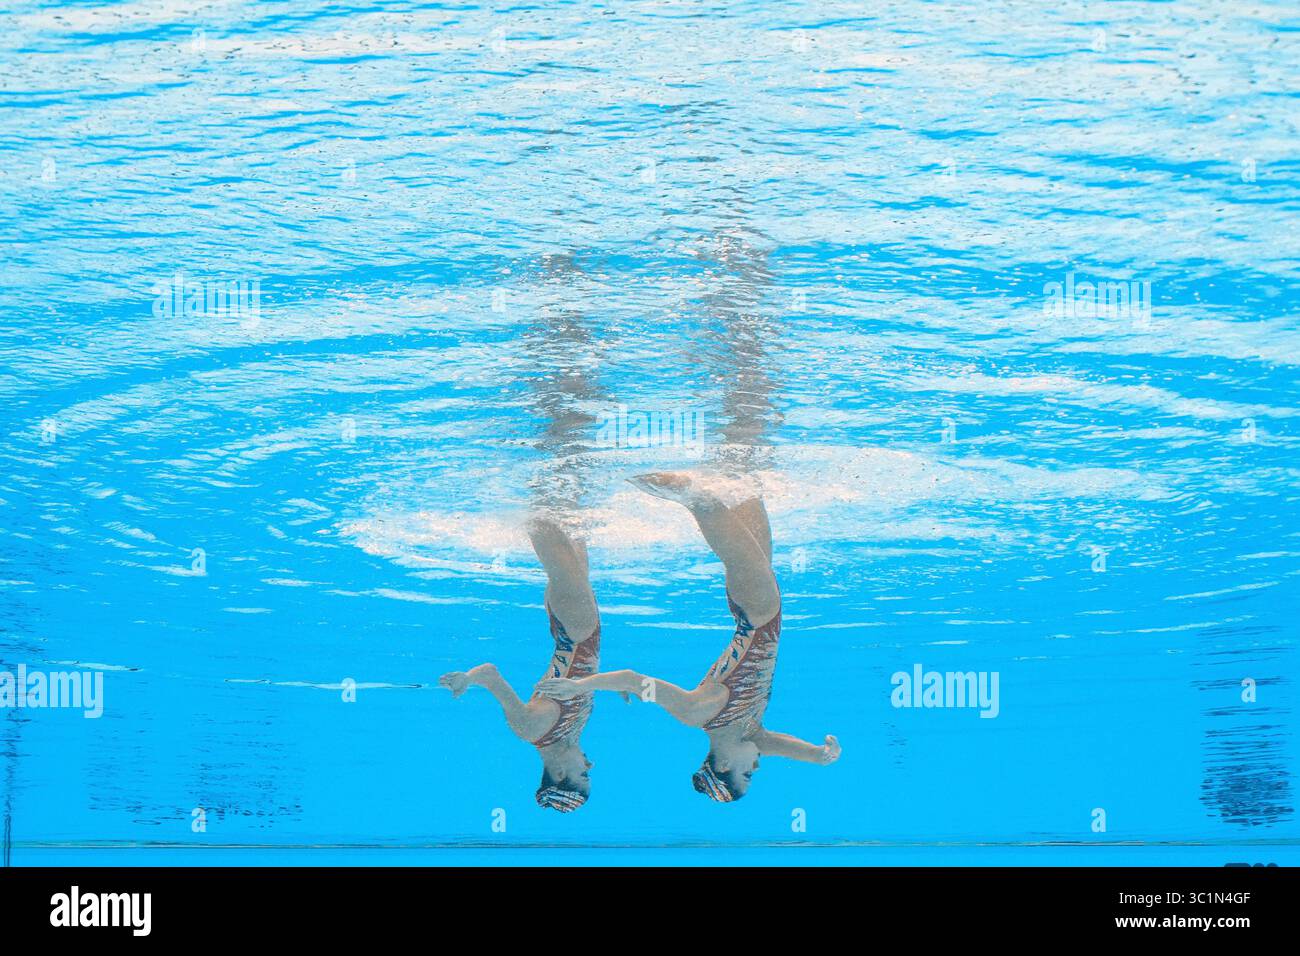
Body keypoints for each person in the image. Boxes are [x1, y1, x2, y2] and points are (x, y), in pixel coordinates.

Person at [537, 471, 840, 802]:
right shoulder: (749, 733)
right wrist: (816, 756)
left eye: (747, 773)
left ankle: (647, 480)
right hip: (762, 613)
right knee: (745, 491)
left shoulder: (696, 713)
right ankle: (736, 443)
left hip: (757, 613)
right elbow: (779, 747)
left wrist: (581, 685)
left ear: (723, 762)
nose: (757, 765)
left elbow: (633, 679)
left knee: (705, 503)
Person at [440, 515, 602, 812]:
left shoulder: (529, 728)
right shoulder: (568, 737)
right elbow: (582, 689)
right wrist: (612, 684)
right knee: (574, 528)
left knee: (545, 527)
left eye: (584, 773)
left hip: (575, 628)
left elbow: (490, 675)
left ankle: (534, 490)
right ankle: (569, 482)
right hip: (580, 629)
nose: (590, 763)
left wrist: (467, 679)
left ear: (560, 774)